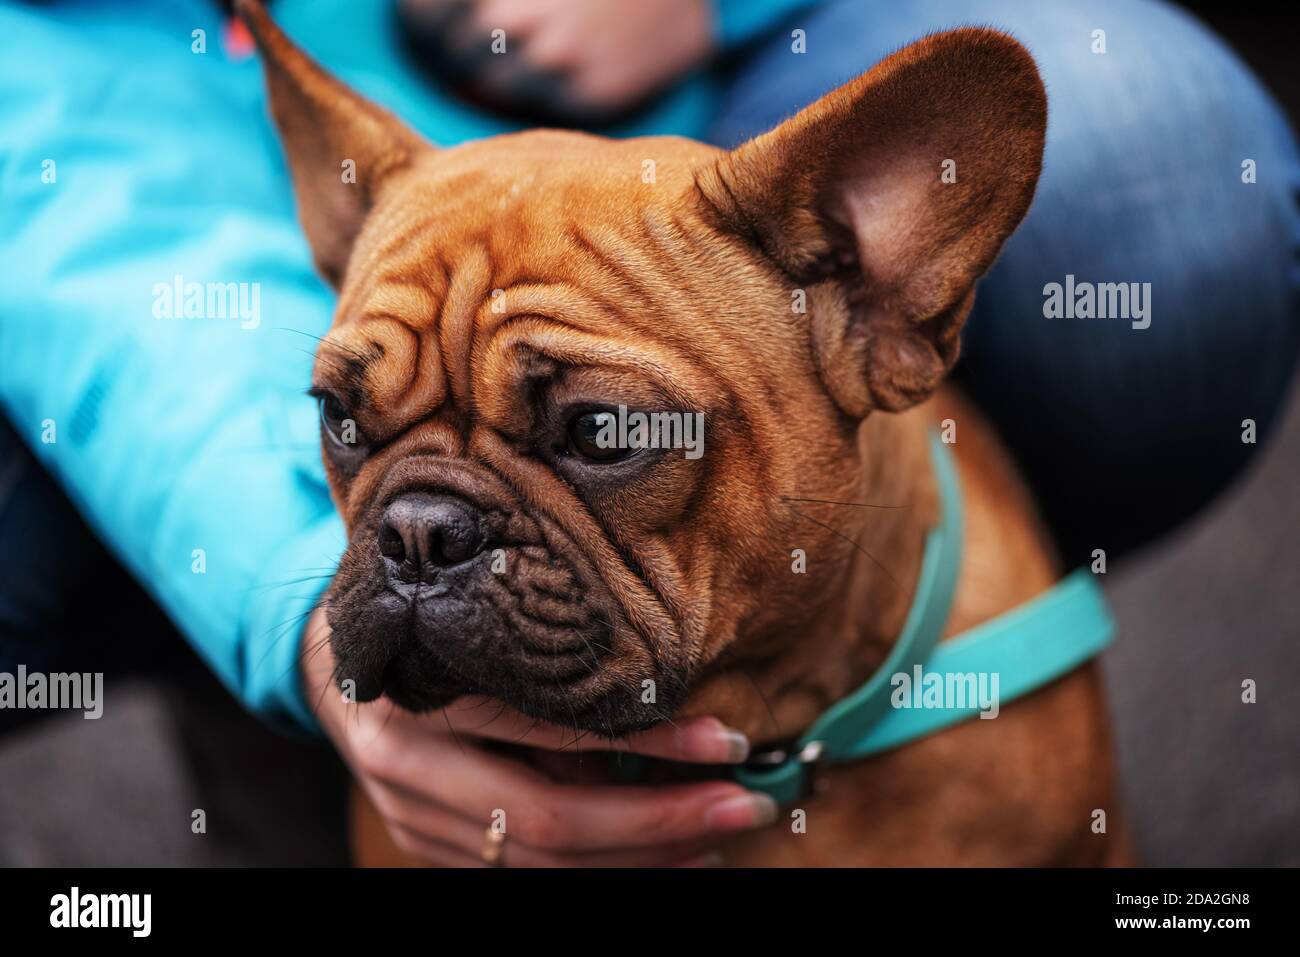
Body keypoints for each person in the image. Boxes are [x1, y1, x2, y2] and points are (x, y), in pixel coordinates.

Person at [1, 0, 1295, 865]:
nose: (425, 535)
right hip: (176, 140)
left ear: (867, 296)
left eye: (603, 433)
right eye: (354, 422)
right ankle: (267, 729)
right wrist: (286, 611)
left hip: (712, 87)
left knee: (1162, 170)